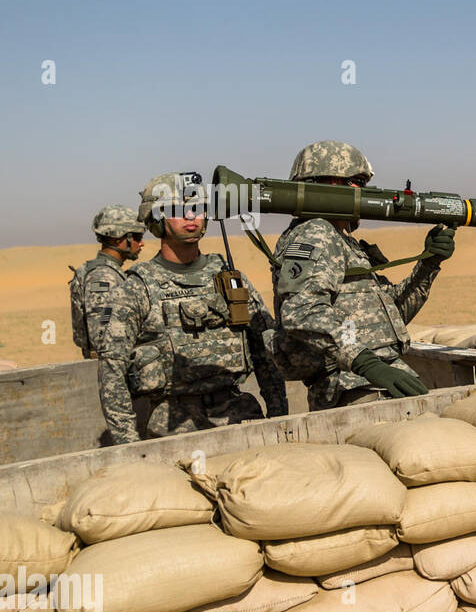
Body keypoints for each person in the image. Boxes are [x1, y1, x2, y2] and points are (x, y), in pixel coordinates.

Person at [96, 172, 288, 443]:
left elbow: (264, 351)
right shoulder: (137, 288)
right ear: (157, 219)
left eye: (197, 208)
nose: (191, 216)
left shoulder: (230, 276)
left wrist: (279, 417)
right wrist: (129, 445)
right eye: (177, 210)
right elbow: (112, 368)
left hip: (240, 419)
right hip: (172, 431)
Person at [270, 140, 455, 410]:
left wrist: (429, 264)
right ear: (329, 184)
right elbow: (302, 310)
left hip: (378, 378)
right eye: (356, 182)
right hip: (349, 387)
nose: (364, 192)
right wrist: (367, 364)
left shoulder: (344, 241)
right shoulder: (315, 232)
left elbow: (394, 314)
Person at [68, 205, 146, 359]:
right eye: (137, 237)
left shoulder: (109, 272)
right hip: (110, 367)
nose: (141, 243)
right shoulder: (103, 277)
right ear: (119, 238)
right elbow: (102, 334)